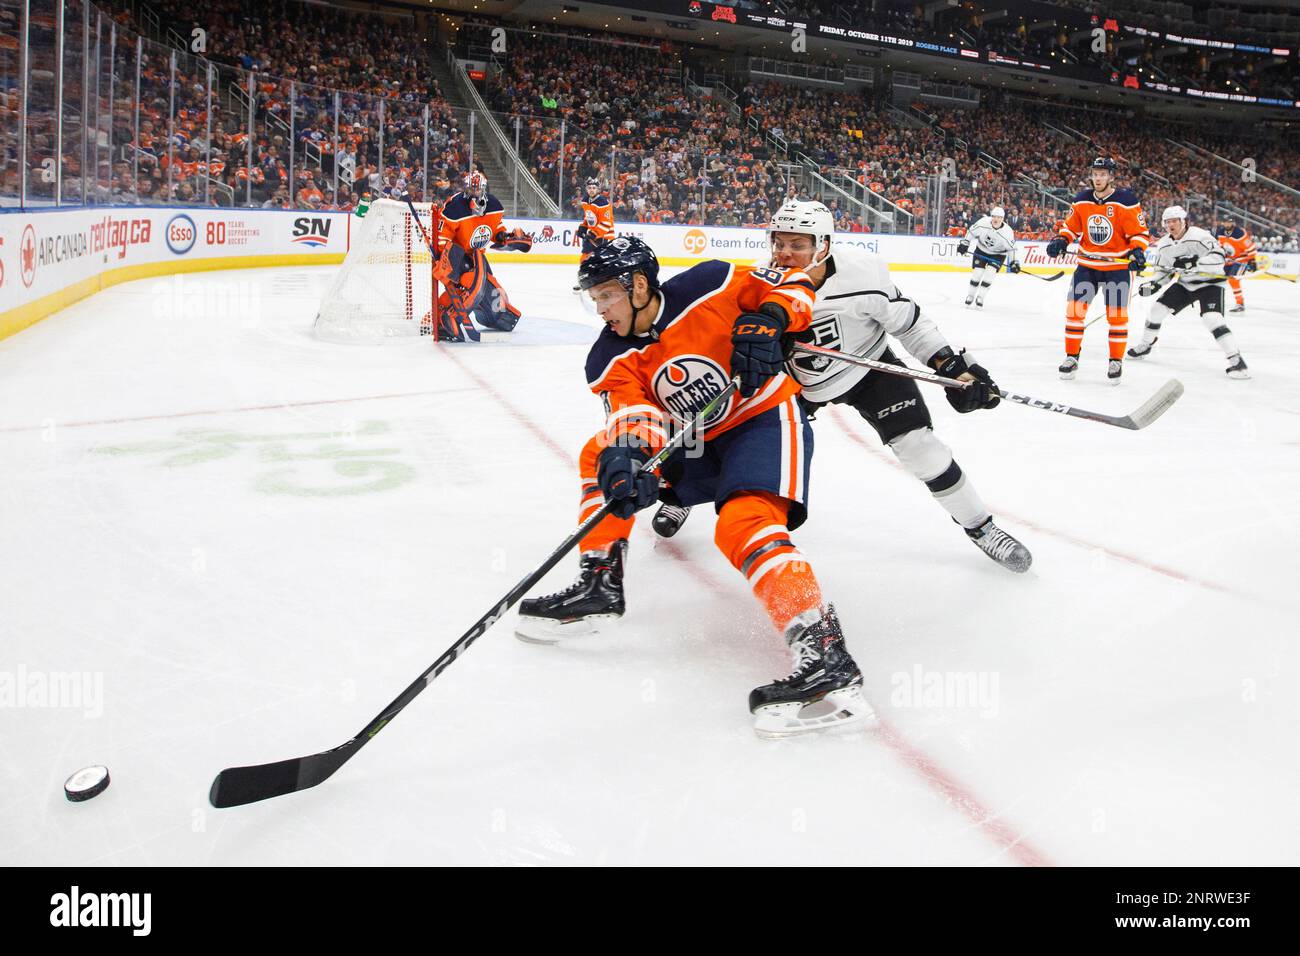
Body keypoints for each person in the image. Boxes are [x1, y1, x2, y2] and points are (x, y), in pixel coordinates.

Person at [516, 237, 874, 738]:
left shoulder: (712, 282)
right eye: (593, 298)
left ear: (638, 286)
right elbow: (636, 416)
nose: (599, 309)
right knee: (603, 455)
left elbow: (794, 283)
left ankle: (826, 659)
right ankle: (601, 584)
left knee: (742, 524)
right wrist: (630, 460)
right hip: (693, 441)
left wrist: (770, 318)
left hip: (761, 421)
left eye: (605, 296)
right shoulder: (607, 358)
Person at [654, 200, 1032, 572]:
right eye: (779, 243)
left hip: (868, 368)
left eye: (797, 244)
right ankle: (685, 493)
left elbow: (910, 324)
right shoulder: (760, 282)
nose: (785, 254)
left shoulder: (862, 275)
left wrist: (952, 366)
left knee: (922, 449)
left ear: (824, 245)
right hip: (795, 383)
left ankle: (981, 527)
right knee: (726, 431)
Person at [1046, 157, 1150, 385]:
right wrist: (1061, 240)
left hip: (1117, 268)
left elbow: (1139, 234)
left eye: (1103, 174)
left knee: (1117, 317)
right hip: (1087, 266)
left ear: (1111, 176)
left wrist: (1138, 251)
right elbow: (1071, 227)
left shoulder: (1126, 201)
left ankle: (1115, 360)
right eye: (1096, 173)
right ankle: (1072, 357)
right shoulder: (1082, 199)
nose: (1098, 178)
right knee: (1074, 312)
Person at [1127, 206, 1249, 379]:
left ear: (1183, 221)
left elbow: (1219, 258)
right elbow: (1163, 271)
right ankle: (1146, 345)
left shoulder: (1199, 236)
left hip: (1211, 283)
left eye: (1175, 221)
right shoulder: (1164, 245)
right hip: (1186, 283)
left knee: (1212, 319)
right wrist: (1153, 284)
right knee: (1156, 310)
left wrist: (1195, 262)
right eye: (1168, 222)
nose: (1171, 225)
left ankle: (1237, 361)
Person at [435, 171, 531, 340]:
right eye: (472, 188)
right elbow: (441, 237)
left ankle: (493, 318)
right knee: (470, 283)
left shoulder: (493, 204)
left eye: (478, 189)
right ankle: (443, 316)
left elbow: (496, 227)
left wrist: (502, 236)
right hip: (456, 254)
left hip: (477, 256)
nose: (475, 192)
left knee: (490, 292)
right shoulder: (455, 207)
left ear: (484, 189)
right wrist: (445, 257)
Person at [958, 205, 1021, 309]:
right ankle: (970, 295)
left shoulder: (1007, 232)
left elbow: (1012, 249)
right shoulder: (983, 223)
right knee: (977, 274)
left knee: (990, 274)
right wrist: (965, 243)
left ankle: (981, 297)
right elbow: (971, 232)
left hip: (998, 254)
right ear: (991, 216)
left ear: (1002, 219)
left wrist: (1014, 262)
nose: (996, 219)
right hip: (981, 250)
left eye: (999, 217)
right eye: (994, 216)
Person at [1216, 220, 1258, 313]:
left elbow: (1250, 247)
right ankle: (1215, 300)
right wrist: (1223, 256)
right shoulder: (1220, 232)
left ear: (1233, 223)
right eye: (1225, 222)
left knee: (1233, 279)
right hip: (1230, 260)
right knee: (1219, 278)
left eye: (1229, 222)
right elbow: (1220, 246)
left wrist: (1252, 261)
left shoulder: (1239, 233)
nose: (1227, 224)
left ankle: (1240, 304)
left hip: (1242, 259)